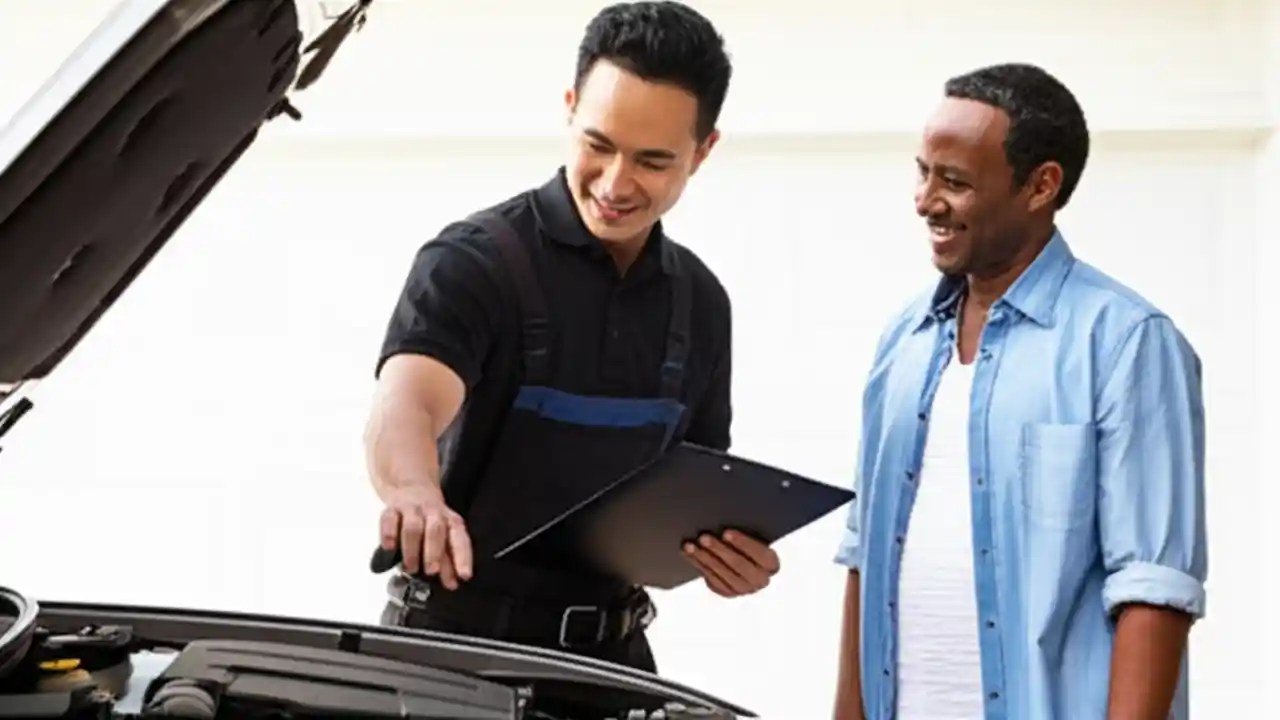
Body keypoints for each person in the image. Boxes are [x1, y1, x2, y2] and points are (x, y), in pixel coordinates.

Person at [364, 1, 780, 673]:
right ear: (569, 107)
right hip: (450, 661)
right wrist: (413, 490)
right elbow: (405, 402)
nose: (615, 183)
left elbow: (694, 490)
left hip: (609, 669)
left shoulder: (703, 304)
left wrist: (726, 556)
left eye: (652, 160)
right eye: (598, 144)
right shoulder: (472, 262)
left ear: (703, 153)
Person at [831, 63, 1208, 720]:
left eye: (955, 182)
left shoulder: (1126, 343)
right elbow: (865, 557)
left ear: (1041, 186)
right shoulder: (904, 342)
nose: (925, 200)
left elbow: (1154, 588)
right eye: (923, 172)